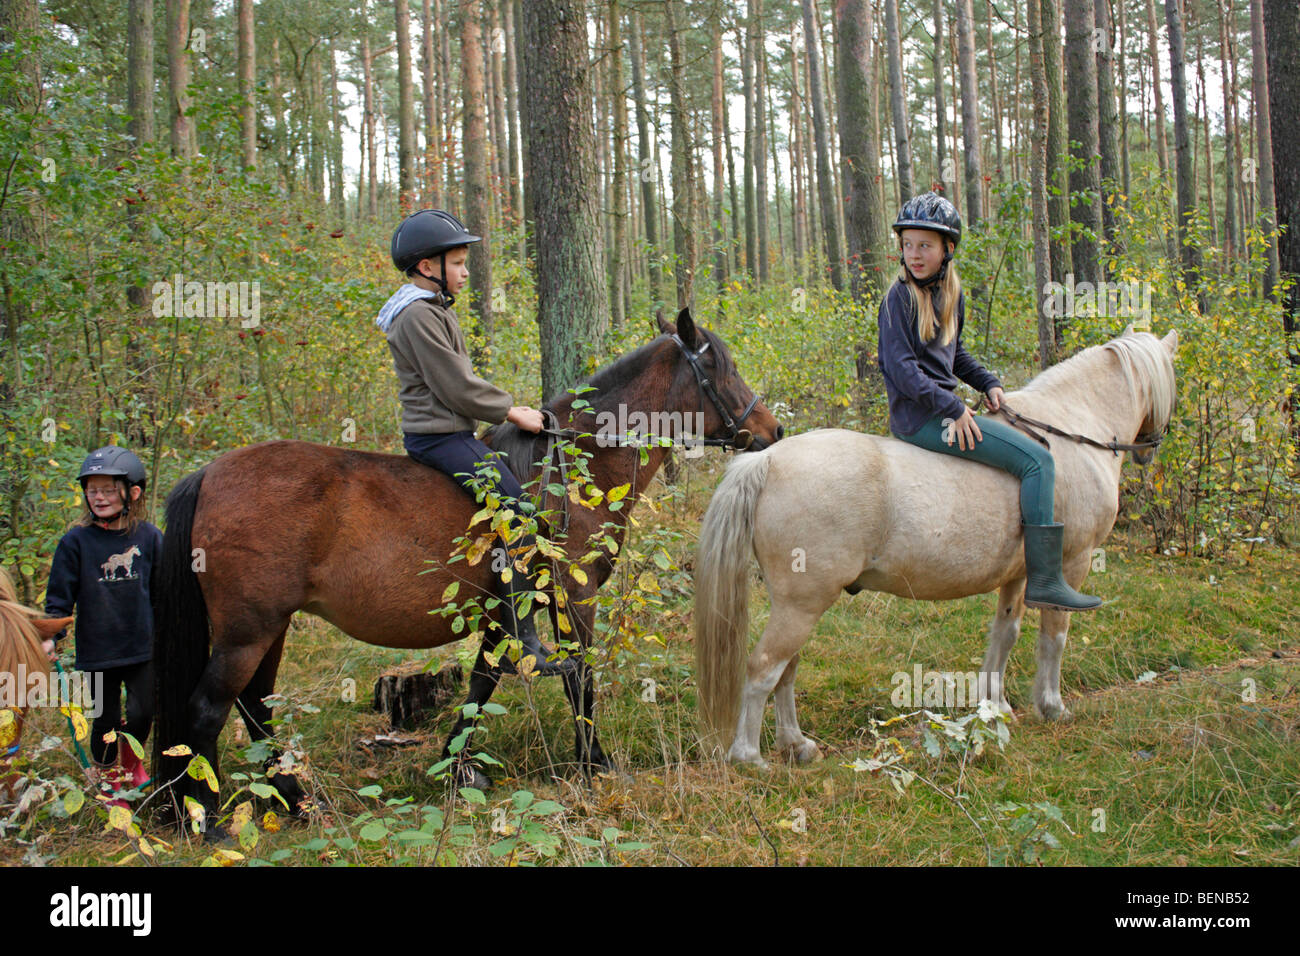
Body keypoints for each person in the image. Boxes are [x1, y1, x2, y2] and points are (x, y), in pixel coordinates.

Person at [876, 192, 1101, 612]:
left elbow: (953, 354)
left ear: (948, 249)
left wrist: (987, 382)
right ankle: (1046, 580)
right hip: (919, 418)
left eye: (924, 245)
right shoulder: (899, 299)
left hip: (939, 408)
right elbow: (903, 371)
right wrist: (954, 408)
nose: (914, 254)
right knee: (1039, 461)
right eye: (908, 244)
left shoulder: (951, 294)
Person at [377, 208, 575, 675]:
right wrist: (511, 411)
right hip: (441, 439)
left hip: (451, 432)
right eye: (459, 263)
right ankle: (521, 642)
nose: (466, 273)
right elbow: (457, 386)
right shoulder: (417, 317)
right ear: (429, 266)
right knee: (519, 510)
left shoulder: (429, 310)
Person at [44, 446, 163, 802]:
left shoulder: (150, 537)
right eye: (92, 490)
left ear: (133, 493)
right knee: (105, 719)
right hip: (99, 650)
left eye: (109, 490)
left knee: (143, 712)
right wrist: (51, 636)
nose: (99, 497)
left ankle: (130, 762)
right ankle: (108, 771)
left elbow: (164, 590)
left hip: (143, 646)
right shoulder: (75, 542)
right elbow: (59, 597)